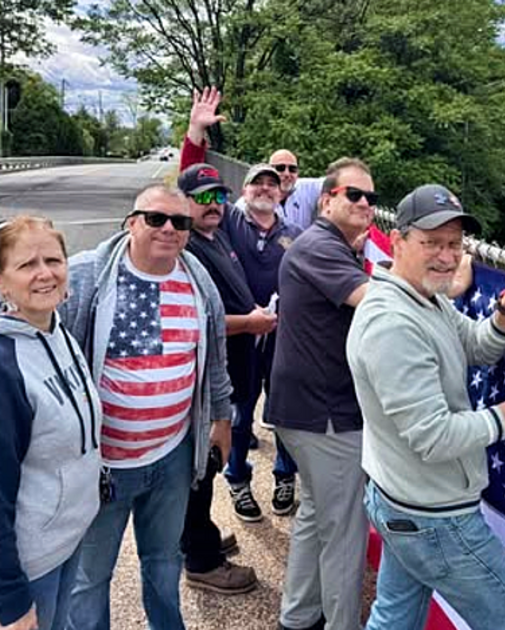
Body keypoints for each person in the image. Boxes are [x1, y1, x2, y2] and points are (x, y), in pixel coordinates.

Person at [345, 184, 505, 630]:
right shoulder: (393, 324)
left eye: (454, 244)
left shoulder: (422, 298)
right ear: (399, 241)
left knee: (394, 617)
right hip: (436, 521)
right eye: (431, 242)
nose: (447, 257)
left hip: (401, 502)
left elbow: (475, 345)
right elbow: (434, 437)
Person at [61, 184, 234, 630]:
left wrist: (222, 418)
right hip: (104, 464)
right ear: (132, 222)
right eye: (156, 219)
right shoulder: (84, 277)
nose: (169, 229)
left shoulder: (198, 282)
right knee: (90, 575)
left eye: (180, 222)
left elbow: (214, 358)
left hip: (172, 456)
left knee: (162, 560)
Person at [0, 215, 101, 630]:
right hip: (13, 572)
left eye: (53, 260)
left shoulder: (54, 330)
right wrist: (10, 604)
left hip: (58, 544)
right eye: (27, 265)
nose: (45, 274)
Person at [180, 88, 303, 519]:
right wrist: (196, 133)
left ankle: (286, 476)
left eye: (274, 182)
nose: (266, 188)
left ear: (283, 190)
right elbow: (192, 187)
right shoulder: (229, 220)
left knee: (286, 411)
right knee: (238, 412)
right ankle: (238, 480)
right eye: (258, 182)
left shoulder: (296, 235)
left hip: (283, 340)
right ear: (244, 190)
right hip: (239, 339)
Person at [268, 157, 378, 630]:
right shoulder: (319, 245)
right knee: (344, 532)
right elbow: (377, 302)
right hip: (325, 414)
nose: (365, 204)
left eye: (372, 199)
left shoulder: (334, 245)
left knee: (316, 516)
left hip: (307, 409)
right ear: (327, 198)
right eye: (354, 194)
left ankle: (298, 617)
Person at [177, 160, 268, 593]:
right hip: (208, 376)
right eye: (203, 198)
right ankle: (201, 559)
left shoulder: (219, 235)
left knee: (207, 465)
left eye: (219, 196)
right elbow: (197, 320)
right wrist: (249, 323)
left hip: (230, 365)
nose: (213, 204)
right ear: (184, 204)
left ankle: (197, 537)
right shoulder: (186, 247)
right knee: (202, 463)